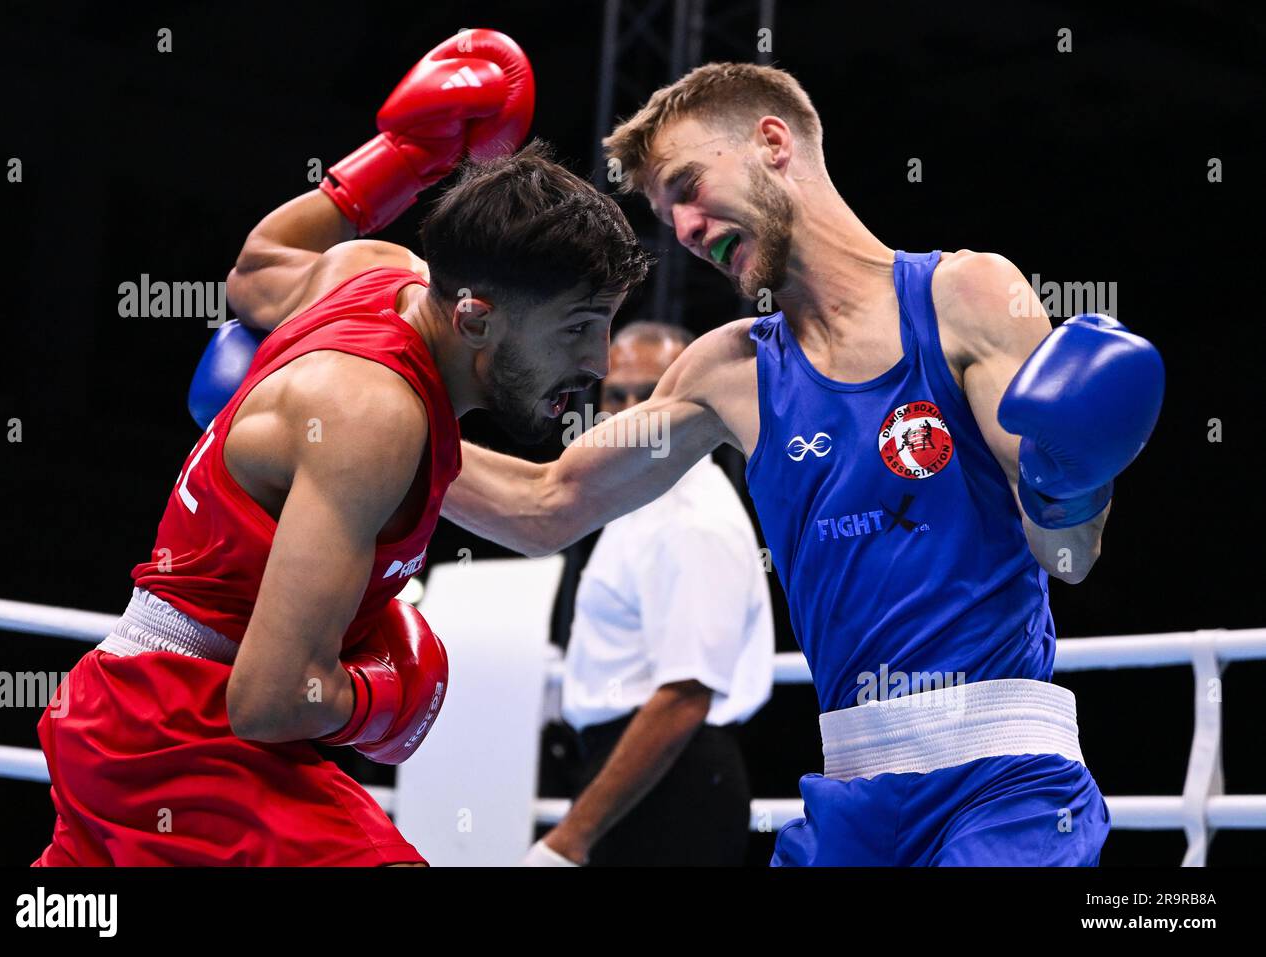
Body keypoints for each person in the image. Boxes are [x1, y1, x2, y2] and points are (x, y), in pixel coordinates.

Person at [443, 62, 1165, 866]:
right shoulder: (730, 371)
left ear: (774, 142)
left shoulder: (968, 297)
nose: (682, 227)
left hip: (1003, 792)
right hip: (850, 804)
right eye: (664, 211)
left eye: (686, 183)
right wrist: (385, 424)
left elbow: (1068, 557)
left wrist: (1071, 482)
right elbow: (548, 501)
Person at [33, 29, 651, 866]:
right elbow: (272, 698)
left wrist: (402, 156)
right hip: (179, 736)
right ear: (474, 317)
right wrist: (390, 698)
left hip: (140, 716)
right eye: (578, 328)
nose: (595, 361)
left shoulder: (374, 269)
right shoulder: (371, 420)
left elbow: (258, 270)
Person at [524, 322, 773, 867]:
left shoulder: (693, 516)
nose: (633, 409)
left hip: (671, 781)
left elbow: (685, 694)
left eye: (653, 391)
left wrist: (570, 837)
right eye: (618, 394)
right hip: (632, 771)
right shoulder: (641, 502)